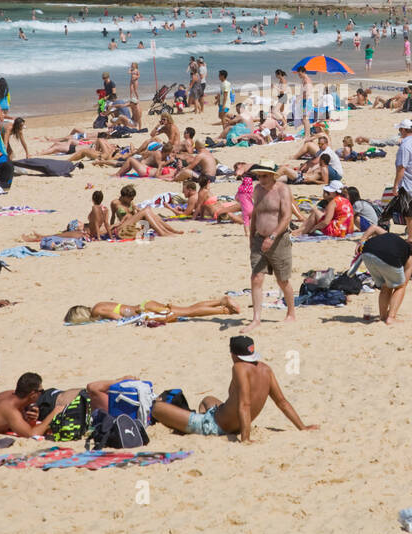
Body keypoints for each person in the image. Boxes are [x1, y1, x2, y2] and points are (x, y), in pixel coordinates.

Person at [149, 336, 318, 442]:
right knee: (207, 399)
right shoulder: (266, 369)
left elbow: (245, 404)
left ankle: (194, 427)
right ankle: (190, 420)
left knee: (157, 408)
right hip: (231, 420)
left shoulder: (239, 368)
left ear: (234, 354)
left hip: (215, 426)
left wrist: (246, 438)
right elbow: (282, 402)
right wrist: (302, 427)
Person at [244, 160, 295, 331]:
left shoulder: (283, 190)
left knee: (282, 280)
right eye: (259, 176)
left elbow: (286, 216)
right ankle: (256, 319)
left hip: (279, 240)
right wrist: (251, 237)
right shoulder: (257, 190)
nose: (261, 179)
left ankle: (291, 313)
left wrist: (272, 236)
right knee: (256, 278)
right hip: (259, 239)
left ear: (273, 175)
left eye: (265, 176)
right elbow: (255, 214)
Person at [353, 224, 412, 324]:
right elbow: (403, 284)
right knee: (400, 287)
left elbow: (374, 227)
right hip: (387, 256)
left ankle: (383, 316)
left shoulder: (393, 238)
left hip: (367, 252)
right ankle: (391, 317)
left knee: (385, 286)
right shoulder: (409, 254)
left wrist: (362, 240)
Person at [63, 295, 242, 323]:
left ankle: (224, 311)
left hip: (144, 312)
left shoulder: (96, 312)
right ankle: (220, 301)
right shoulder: (99, 304)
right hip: (143, 305)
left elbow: (119, 317)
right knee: (187, 309)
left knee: (189, 312)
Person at [391, 119, 412, 246]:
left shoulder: (405, 145)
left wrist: (395, 185)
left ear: (404, 130)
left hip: (408, 181)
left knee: (409, 212)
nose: (400, 132)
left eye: (400, 129)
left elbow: (401, 168)